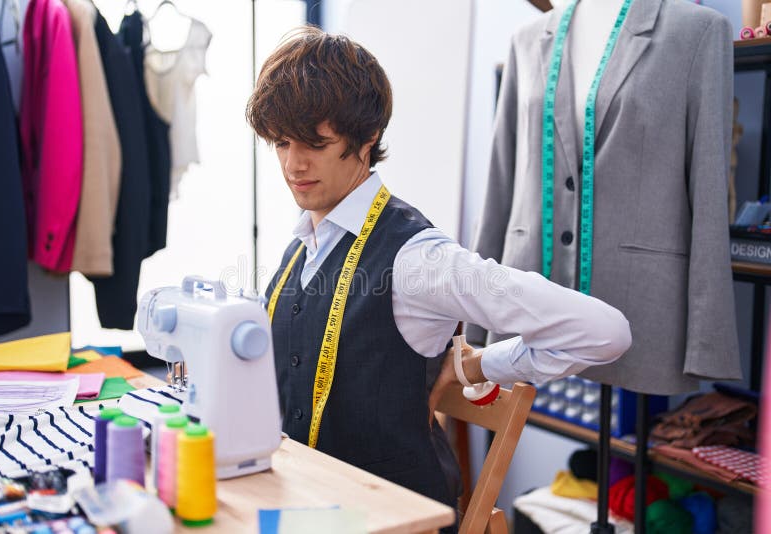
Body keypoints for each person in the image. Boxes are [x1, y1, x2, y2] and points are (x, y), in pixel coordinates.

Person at [246, 26, 631, 525]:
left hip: (396, 518)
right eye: (281, 142)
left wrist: (481, 364)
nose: (293, 164)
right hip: (305, 506)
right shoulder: (301, 246)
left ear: (367, 137)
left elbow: (604, 331)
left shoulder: (419, 260)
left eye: (315, 144)